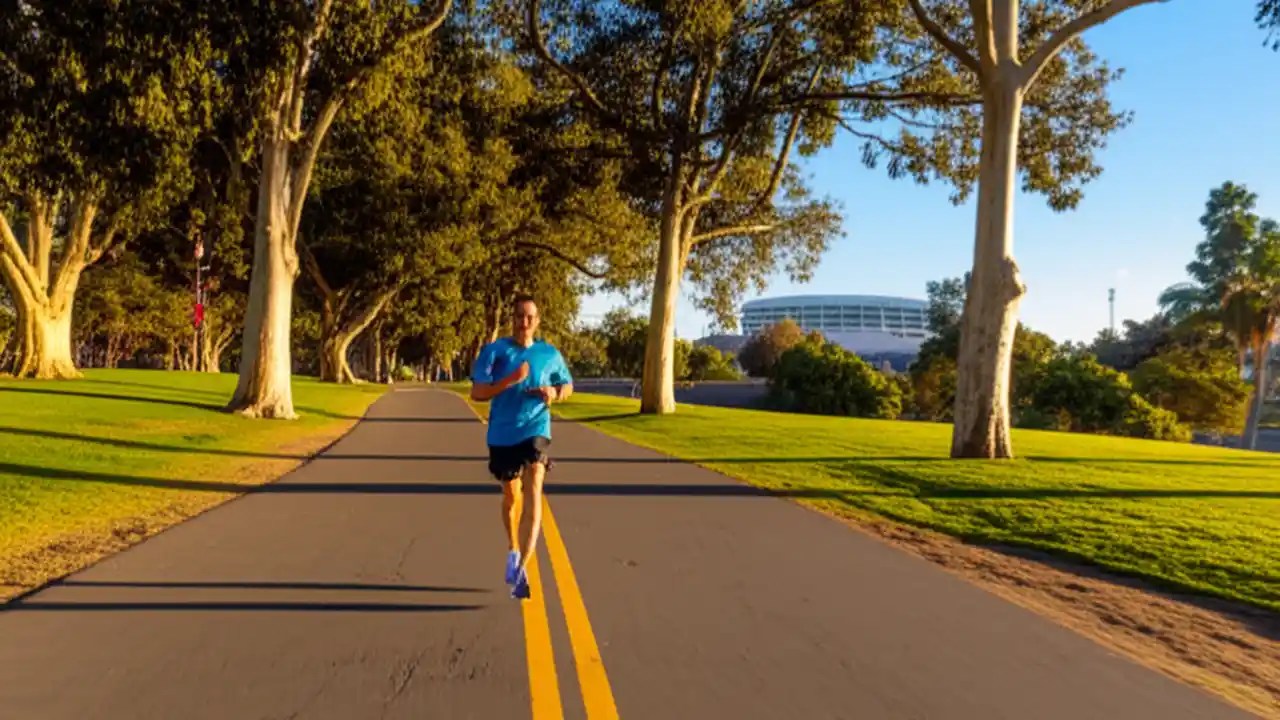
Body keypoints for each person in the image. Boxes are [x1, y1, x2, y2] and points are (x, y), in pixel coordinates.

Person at [469, 294, 573, 600]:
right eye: (518, 316)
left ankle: (522, 568)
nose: (523, 322)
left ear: (537, 321)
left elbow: (568, 385)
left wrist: (554, 392)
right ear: (511, 319)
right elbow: (477, 393)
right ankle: (513, 550)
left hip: (536, 427)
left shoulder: (549, 353)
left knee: (535, 483)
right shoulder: (495, 351)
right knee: (511, 496)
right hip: (502, 434)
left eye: (529, 317)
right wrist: (509, 380)